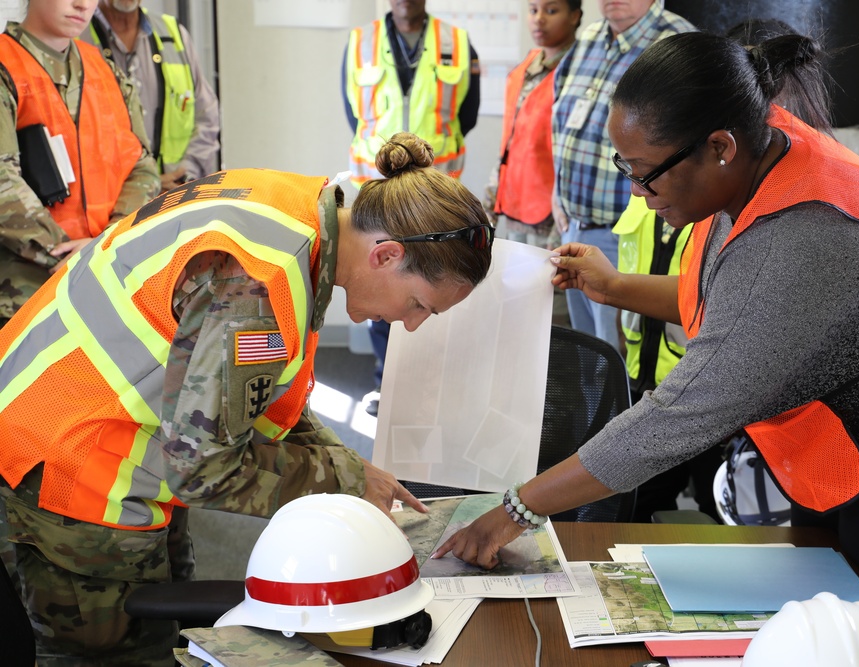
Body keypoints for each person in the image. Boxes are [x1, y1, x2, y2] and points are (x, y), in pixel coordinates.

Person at [434, 32, 859, 667]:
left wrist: (514, 510)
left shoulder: (812, 237)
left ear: (720, 148)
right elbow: (741, 307)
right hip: (849, 448)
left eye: (644, 173)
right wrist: (614, 285)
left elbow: (682, 410)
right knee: (826, 628)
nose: (636, 193)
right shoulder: (753, 153)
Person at [0, 133, 494, 666]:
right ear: (387, 254)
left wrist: (346, 463)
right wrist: (344, 482)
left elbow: (249, 395)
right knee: (117, 655)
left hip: (98, 420)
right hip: (71, 463)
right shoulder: (259, 289)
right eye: (420, 303)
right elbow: (202, 469)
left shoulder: (298, 210)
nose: (413, 324)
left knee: (170, 627)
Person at [625, 18, 836, 523]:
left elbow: (728, 344)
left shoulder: (797, 224)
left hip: (821, 446)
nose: (638, 190)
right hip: (691, 388)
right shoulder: (706, 195)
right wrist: (611, 286)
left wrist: (524, 505)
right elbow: (706, 295)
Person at [342, 0, 480, 415]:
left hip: (434, 202)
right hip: (379, 194)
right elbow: (354, 113)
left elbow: (467, 115)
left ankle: (427, 391)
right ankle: (386, 381)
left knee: (427, 292)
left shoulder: (456, 41)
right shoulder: (358, 42)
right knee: (380, 288)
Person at [0, 0, 160, 328]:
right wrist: (70, 255)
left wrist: (110, 243)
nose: (82, 4)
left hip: (108, 286)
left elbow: (141, 166)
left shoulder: (105, 70)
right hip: (25, 298)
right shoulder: (6, 66)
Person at [549, 0, 693, 348]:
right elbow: (560, 120)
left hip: (629, 236)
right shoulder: (590, 37)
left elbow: (689, 147)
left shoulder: (676, 42)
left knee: (619, 361)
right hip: (573, 225)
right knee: (586, 357)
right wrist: (558, 191)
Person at [81, 0, 221, 193]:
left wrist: (186, 174)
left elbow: (206, 115)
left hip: (177, 194)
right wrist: (145, 185)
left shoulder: (173, 34)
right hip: (113, 206)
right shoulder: (76, 38)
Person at [483, 0, 581, 249]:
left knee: (550, 283)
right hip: (516, 205)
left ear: (574, 16)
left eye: (551, 11)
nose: (539, 19)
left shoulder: (578, 74)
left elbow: (575, 156)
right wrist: (489, 205)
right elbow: (508, 144)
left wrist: (562, 227)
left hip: (553, 215)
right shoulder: (526, 68)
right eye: (533, 10)